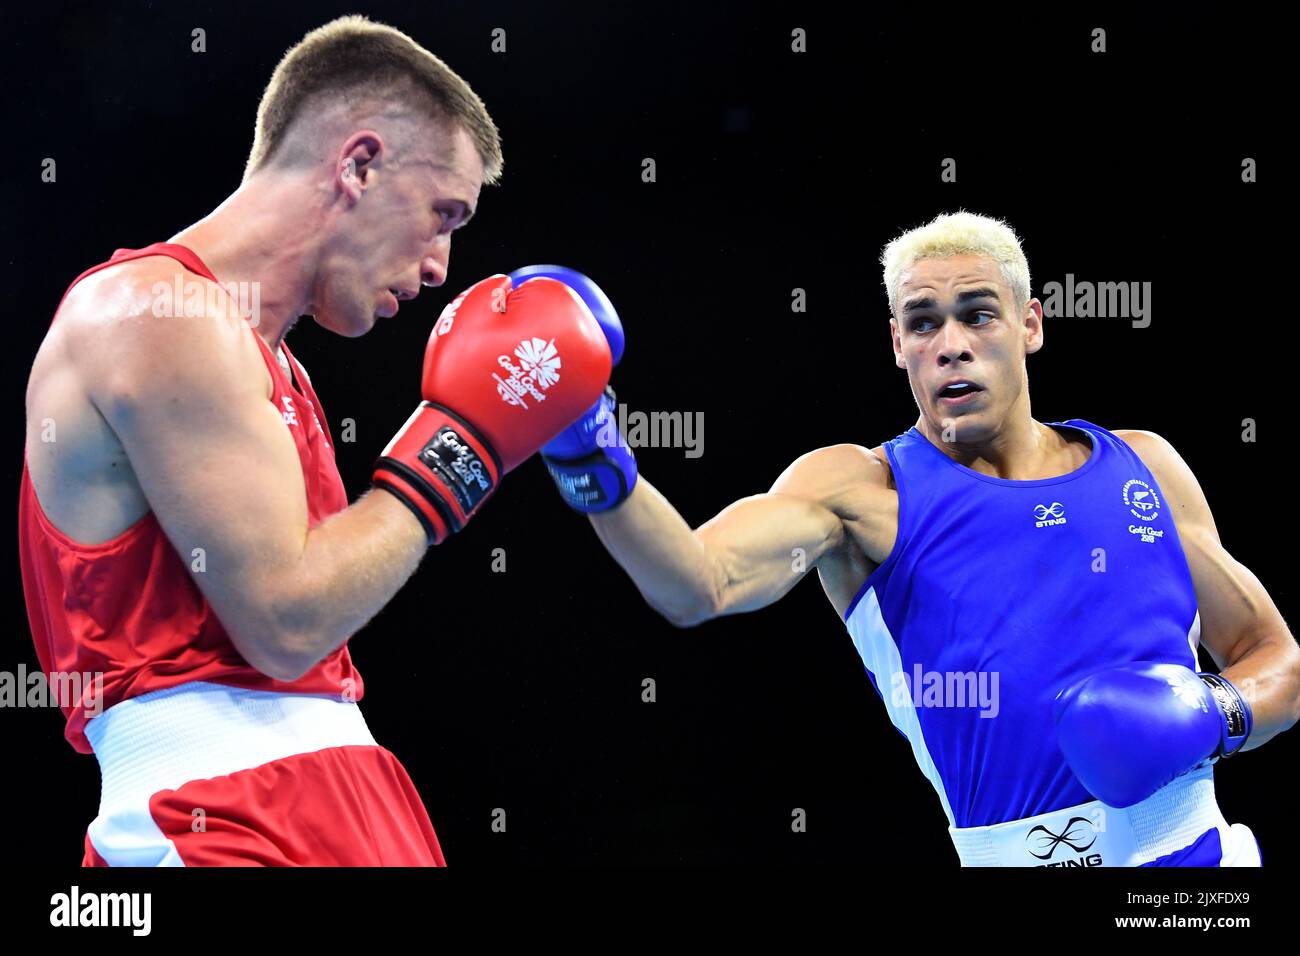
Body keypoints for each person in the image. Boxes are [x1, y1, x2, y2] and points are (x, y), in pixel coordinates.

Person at [20, 15, 612, 866]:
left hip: (356, 797)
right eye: (443, 213)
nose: (444, 262)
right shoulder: (152, 311)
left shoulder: (276, 368)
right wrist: (467, 442)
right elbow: (285, 622)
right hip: (213, 818)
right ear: (359, 164)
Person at [536, 212, 1300, 866]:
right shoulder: (862, 493)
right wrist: (591, 459)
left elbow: (1277, 663)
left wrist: (1214, 713)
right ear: (897, 343)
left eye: (978, 313)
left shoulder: (1145, 466)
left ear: (1030, 323)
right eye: (925, 322)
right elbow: (698, 584)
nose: (952, 344)